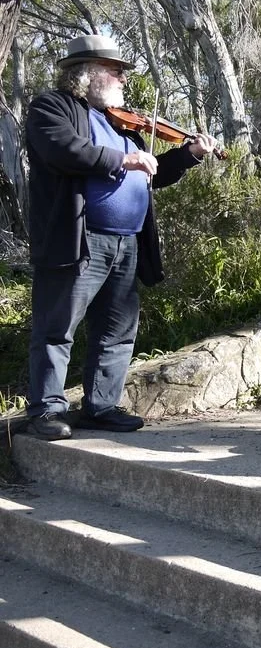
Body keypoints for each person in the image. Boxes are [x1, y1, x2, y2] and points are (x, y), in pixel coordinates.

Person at [23, 35, 219, 441]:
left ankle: (101, 406)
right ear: (88, 72)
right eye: (117, 72)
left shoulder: (121, 123)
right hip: (79, 240)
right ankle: (45, 410)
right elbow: (63, 150)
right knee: (57, 327)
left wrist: (189, 155)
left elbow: (152, 173)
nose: (123, 80)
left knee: (117, 329)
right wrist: (122, 159)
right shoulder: (53, 107)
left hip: (127, 242)